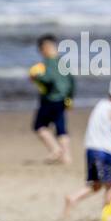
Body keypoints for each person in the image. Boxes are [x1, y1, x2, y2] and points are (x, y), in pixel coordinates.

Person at [63, 76, 111, 217]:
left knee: (97, 184)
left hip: (91, 149)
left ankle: (73, 198)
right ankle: (107, 212)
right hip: (106, 152)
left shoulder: (100, 105)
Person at [30, 34, 75, 165]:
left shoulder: (47, 63)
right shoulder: (63, 63)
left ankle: (55, 149)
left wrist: (36, 77)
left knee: (39, 126)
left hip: (50, 100)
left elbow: (48, 79)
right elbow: (72, 82)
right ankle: (67, 157)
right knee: (61, 128)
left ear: (44, 49)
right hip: (63, 100)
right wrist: (70, 98)